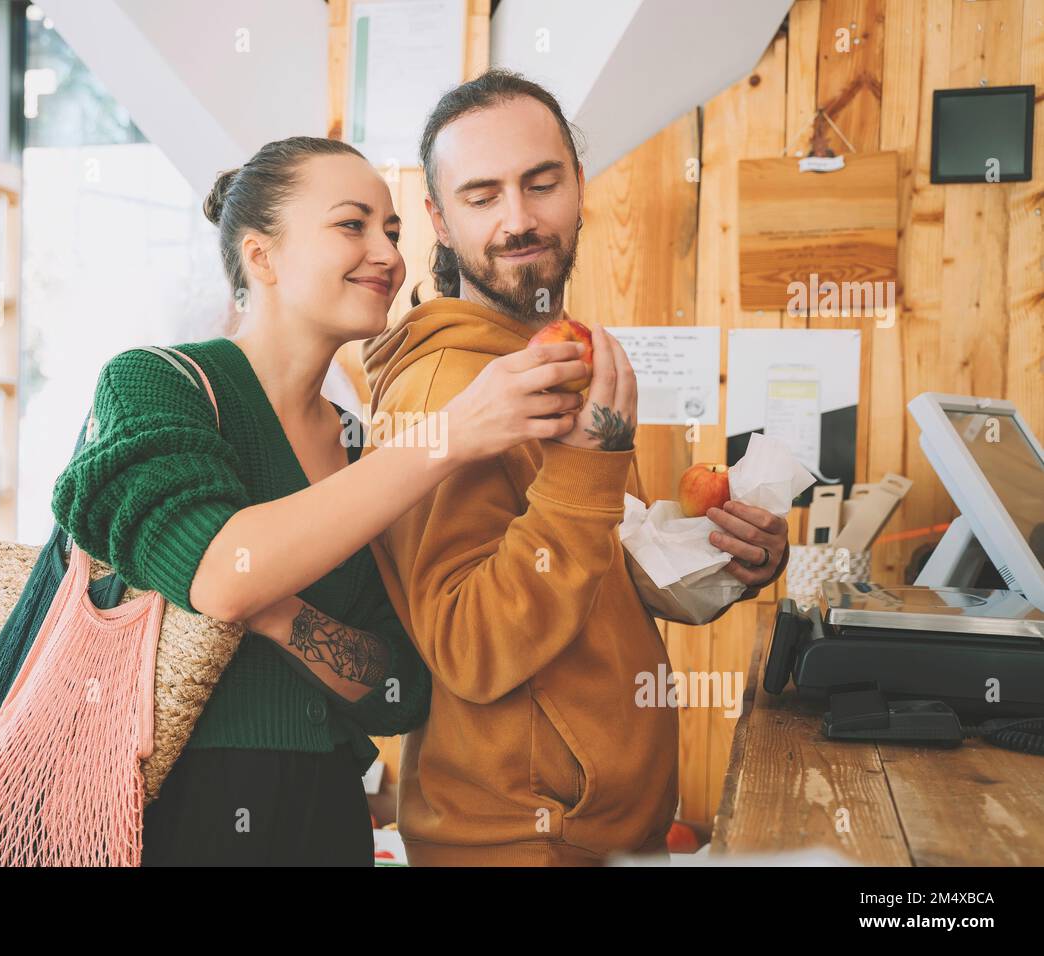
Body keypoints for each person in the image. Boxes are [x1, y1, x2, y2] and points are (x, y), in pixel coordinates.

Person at [50, 135, 594, 866]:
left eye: (393, 231)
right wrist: (454, 434)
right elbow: (222, 571)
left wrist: (277, 612)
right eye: (352, 225)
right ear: (261, 256)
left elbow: (398, 690)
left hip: (325, 822)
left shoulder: (361, 442)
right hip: (164, 818)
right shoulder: (156, 384)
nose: (388, 255)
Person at [361, 69, 792, 866]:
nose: (519, 220)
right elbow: (471, 646)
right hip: (518, 845)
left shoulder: (555, 357)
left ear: (580, 186)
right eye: (482, 195)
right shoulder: (442, 390)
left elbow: (586, 578)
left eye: (541, 183)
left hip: (603, 837)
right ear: (440, 221)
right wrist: (588, 471)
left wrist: (726, 561)